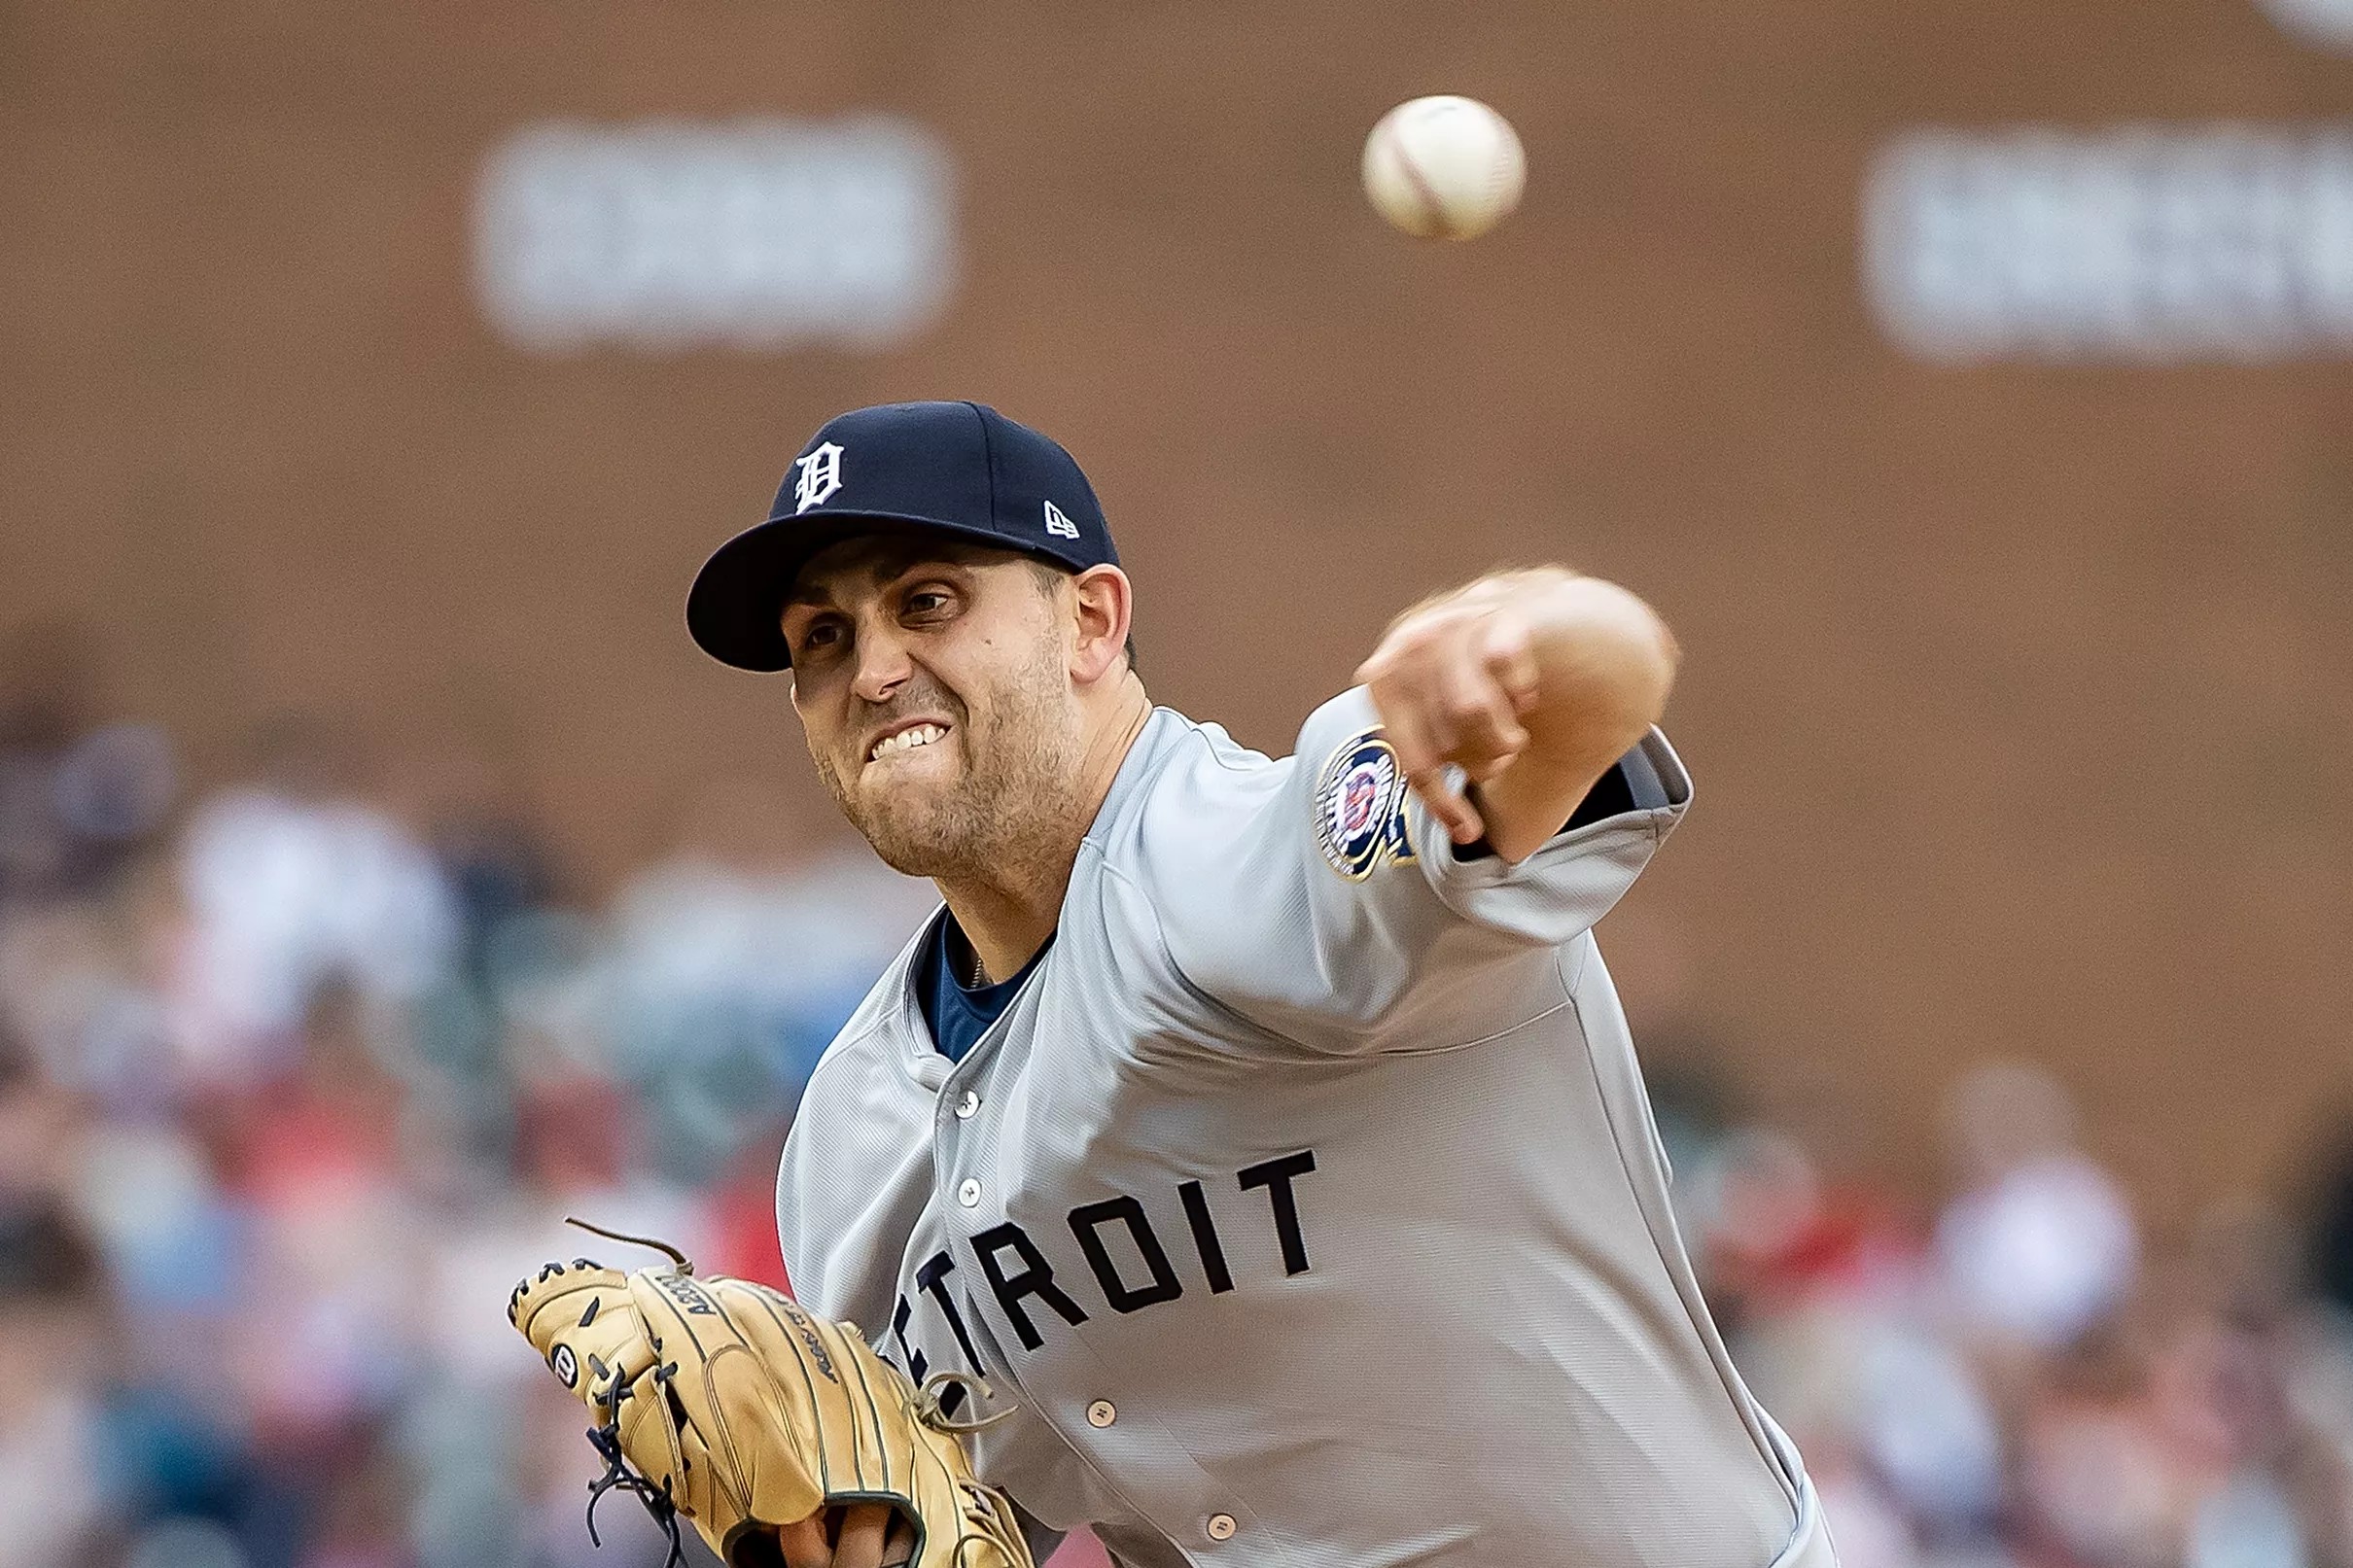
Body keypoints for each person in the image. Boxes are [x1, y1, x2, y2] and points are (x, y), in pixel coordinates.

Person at [683, 401, 1834, 1568]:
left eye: (926, 600)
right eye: (820, 637)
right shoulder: (849, 1141)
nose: (873, 669)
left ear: (1089, 620)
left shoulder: (1249, 852)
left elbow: (1609, 678)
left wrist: (1515, 634)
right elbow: (940, 1518)